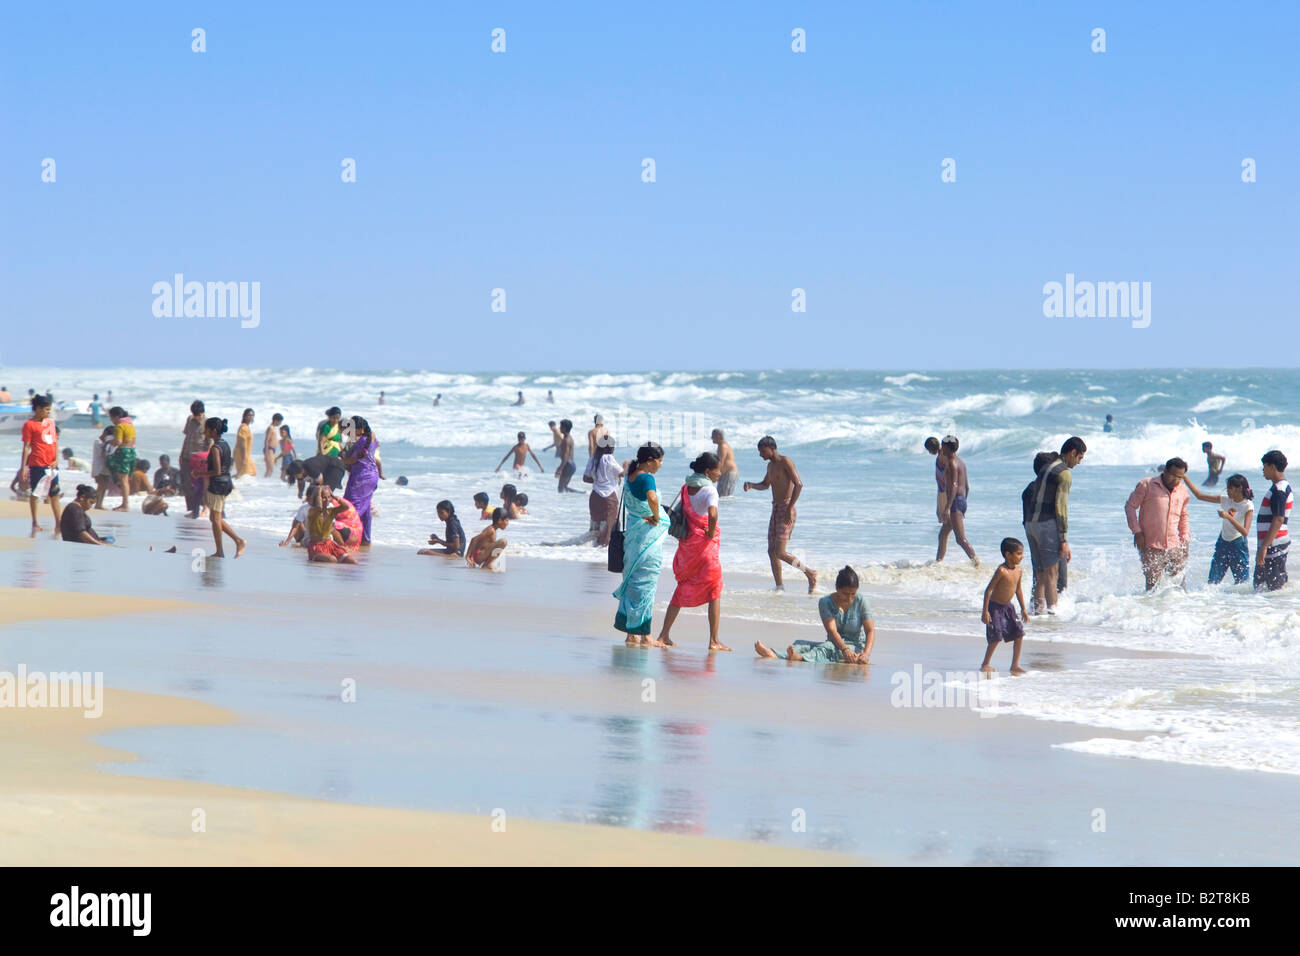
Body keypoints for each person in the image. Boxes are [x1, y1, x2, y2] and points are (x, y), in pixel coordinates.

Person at [656, 452, 729, 651]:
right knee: (715, 590)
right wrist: (711, 531)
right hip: (706, 547)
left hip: (688, 547)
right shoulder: (710, 491)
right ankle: (714, 640)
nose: (720, 473)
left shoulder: (687, 488)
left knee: (682, 588)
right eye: (718, 469)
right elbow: (712, 513)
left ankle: (663, 635)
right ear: (708, 471)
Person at [755, 566, 875, 664]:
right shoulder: (825, 602)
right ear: (837, 588)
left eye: (853, 594)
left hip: (856, 646)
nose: (849, 598)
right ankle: (775, 653)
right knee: (800, 644)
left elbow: (870, 630)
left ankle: (799, 658)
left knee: (826, 648)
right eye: (845, 593)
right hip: (836, 642)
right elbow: (832, 632)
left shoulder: (861, 601)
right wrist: (844, 649)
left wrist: (866, 654)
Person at [744, 436, 817, 592]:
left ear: (772, 448)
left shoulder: (785, 462)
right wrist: (751, 485)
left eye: (762, 451)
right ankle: (779, 587)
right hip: (775, 509)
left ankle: (810, 573)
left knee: (780, 552)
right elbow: (765, 485)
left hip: (786, 508)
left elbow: (799, 484)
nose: (760, 455)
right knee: (771, 551)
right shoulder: (770, 466)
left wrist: (790, 508)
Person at [613, 442, 669, 644]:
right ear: (650, 461)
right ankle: (645, 635)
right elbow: (652, 498)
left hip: (632, 539)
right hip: (647, 541)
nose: (661, 464)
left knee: (633, 582)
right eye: (660, 460)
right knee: (646, 585)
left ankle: (631, 633)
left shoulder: (631, 475)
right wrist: (656, 516)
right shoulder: (647, 478)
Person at [1022, 437, 1086, 613]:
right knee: (1052, 574)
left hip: (1030, 524)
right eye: (1079, 458)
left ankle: (1037, 612)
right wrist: (1063, 538)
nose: (1078, 463)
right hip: (1047, 525)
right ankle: (1053, 614)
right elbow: (1061, 507)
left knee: (1039, 574)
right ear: (1072, 453)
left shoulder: (1046, 467)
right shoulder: (1064, 472)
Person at [1125, 457, 1192, 590]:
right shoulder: (1147, 485)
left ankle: (1182, 610)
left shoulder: (1183, 490)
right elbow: (1130, 507)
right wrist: (1137, 532)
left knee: (1179, 585)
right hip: (1150, 545)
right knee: (1152, 587)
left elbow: (1183, 514)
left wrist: (1185, 538)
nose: (1176, 480)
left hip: (1174, 545)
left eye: (1180, 477)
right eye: (1173, 475)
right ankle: (1152, 610)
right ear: (1165, 471)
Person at [1184, 473, 1254, 585]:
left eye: (1230, 488)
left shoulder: (1248, 506)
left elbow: (1245, 532)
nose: (1227, 491)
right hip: (1222, 543)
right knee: (1212, 583)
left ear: (1239, 488)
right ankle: (1214, 602)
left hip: (1238, 545)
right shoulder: (1225, 500)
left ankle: (1240, 603)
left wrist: (1227, 517)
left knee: (1242, 584)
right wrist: (1184, 477)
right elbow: (1199, 496)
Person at [980, 538, 1029, 675]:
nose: (1022, 556)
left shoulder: (1019, 571)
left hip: (1008, 607)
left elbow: (1018, 590)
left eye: (1022, 553)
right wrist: (985, 612)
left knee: (1019, 634)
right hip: (995, 608)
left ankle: (1015, 665)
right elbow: (988, 590)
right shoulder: (1001, 571)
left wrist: (1024, 609)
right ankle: (986, 663)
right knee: (996, 637)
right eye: (1018, 553)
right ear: (1008, 554)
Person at [202, 418, 246, 558]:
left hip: (218, 484)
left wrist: (199, 474)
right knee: (214, 517)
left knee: (215, 519)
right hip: (226, 483)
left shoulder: (215, 448)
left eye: (206, 429)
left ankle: (221, 550)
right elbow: (225, 466)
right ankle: (237, 541)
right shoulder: (225, 444)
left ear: (213, 431)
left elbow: (217, 471)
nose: (205, 431)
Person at [19, 395, 63, 534]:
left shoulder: (50, 422)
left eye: (49, 409)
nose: (48, 412)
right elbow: (26, 446)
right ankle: (35, 522)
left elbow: (55, 442)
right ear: (37, 409)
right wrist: (23, 468)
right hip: (37, 463)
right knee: (36, 494)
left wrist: (57, 459)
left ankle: (59, 522)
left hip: (52, 464)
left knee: (55, 493)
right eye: (46, 409)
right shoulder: (29, 424)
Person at [936, 435, 978, 566]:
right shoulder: (961, 462)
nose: (941, 448)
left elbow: (954, 486)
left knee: (960, 539)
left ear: (947, 448)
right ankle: (938, 563)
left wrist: (947, 507)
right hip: (961, 500)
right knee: (943, 533)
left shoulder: (952, 463)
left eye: (943, 446)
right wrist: (963, 503)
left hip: (955, 502)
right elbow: (967, 486)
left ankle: (977, 563)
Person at [341, 415, 381, 545]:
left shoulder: (362, 442)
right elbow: (376, 444)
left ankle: (349, 537)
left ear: (361, 428)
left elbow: (353, 460)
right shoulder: (371, 437)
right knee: (365, 508)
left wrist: (340, 461)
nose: (351, 433)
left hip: (361, 477)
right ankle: (365, 538)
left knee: (352, 507)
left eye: (353, 430)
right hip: (372, 476)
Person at [1255, 450, 1292, 592]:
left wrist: (1264, 546)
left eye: (1264, 467)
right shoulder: (1279, 487)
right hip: (1272, 544)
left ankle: (1275, 613)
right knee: (1262, 588)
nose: (1263, 470)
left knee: (1273, 588)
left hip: (1274, 545)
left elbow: (1278, 518)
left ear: (1271, 467)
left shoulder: (1279, 489)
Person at [583, 434, 624, 547]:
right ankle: (602, 557)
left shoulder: (593, 459)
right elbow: (622, 473)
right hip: (610, 497)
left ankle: (588, 552)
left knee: (594, 531)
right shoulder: (609, 458)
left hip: (595, 496)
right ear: (611, 448)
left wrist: (598, 480)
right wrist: (626, 466)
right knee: (610, 530)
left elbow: (585, 478)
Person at [304, 486, 357, 564]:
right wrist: (318, 493)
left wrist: (334, 497)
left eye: (327, 498)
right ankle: (314, 558)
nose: (324, 500)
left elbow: (346, 506)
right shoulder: (312, 511)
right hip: (316, 546)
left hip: (329, 544)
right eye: (322, 498)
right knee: (332, 560)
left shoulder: (331, 511)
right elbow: (319, 507)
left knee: (352, 561)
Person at [180, 400, 207, 518]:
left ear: (203, 413)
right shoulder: (189, 420)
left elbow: (210, 443)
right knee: (187, 484)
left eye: (198, 415)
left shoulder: (207, 424)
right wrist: (181, 454)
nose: (196, 418)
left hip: (200, 459)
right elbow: (186, 438)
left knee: (200, 485)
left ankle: (203, 509)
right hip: (187, 456)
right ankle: (192, 509)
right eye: (195, 415)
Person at [107, 406, 137, 512]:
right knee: (126, 479)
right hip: (132, 452)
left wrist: (110, 442)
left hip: (123, 452)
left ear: (116, 417)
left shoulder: (120, 426)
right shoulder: (130, 425)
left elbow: (118, 442)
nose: (111, 420)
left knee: (123, 479)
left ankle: (125, 505)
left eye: (111, 417)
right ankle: (125, 503)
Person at [91, 426, 115, 509]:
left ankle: (100, 503)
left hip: (105, 468)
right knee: (100, 486)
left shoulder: (105, 443)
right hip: (99, 467)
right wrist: (107, 443)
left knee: (104, 486)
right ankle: (97, 503)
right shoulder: (97, 442)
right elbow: (102, 454)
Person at [555, 420, 580, 493]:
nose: (559, 428)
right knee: (564, 487)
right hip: (571, 464)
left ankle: (561, 503)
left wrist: (560, 468)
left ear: (565, 428)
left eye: (561, 427)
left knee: (560, 488)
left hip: (568, 464)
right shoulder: (569, 438)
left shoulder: (566, 440)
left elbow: (565, 455)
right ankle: (580, 494)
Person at [712, 429, 738, 497]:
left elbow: (720, 462)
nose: (711, 438)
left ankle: (727, 508)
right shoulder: (722, 445)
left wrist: (716, 475)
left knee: (724, 496)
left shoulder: (722, 446)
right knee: (723, 495)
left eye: (713, 436)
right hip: (727, 473)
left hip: (728, 473)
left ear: (718, 436)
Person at [924, 436, 944, 521]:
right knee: (940, 514)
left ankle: (946, 533)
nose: (929, 452)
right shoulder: (941, 454)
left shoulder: (943, 455)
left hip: (945, 488)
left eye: (929, 450)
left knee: (942, 515)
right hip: (941, 487)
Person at [233, 408, 257, 477]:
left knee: (251, 473)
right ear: (244, 416)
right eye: (249, 415)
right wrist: (244, 458)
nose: (250, 417)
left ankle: (231, 482)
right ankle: (230, 483)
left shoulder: (246, 427)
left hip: (246, 454)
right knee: (244, 474)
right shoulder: (243, 428)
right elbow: (242, 443)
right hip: (241, 454)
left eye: (252, 415)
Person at [263, 413, 283, 477]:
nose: (280, 423)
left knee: (270, 469)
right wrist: (266, 453)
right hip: (269, 450)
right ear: (276, 420)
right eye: (280, 422)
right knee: (270, 469)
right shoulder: (270, 428)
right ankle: (264, 482)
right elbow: (267, 440)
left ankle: (265, 481)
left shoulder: (274, 428)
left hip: (272, 450)